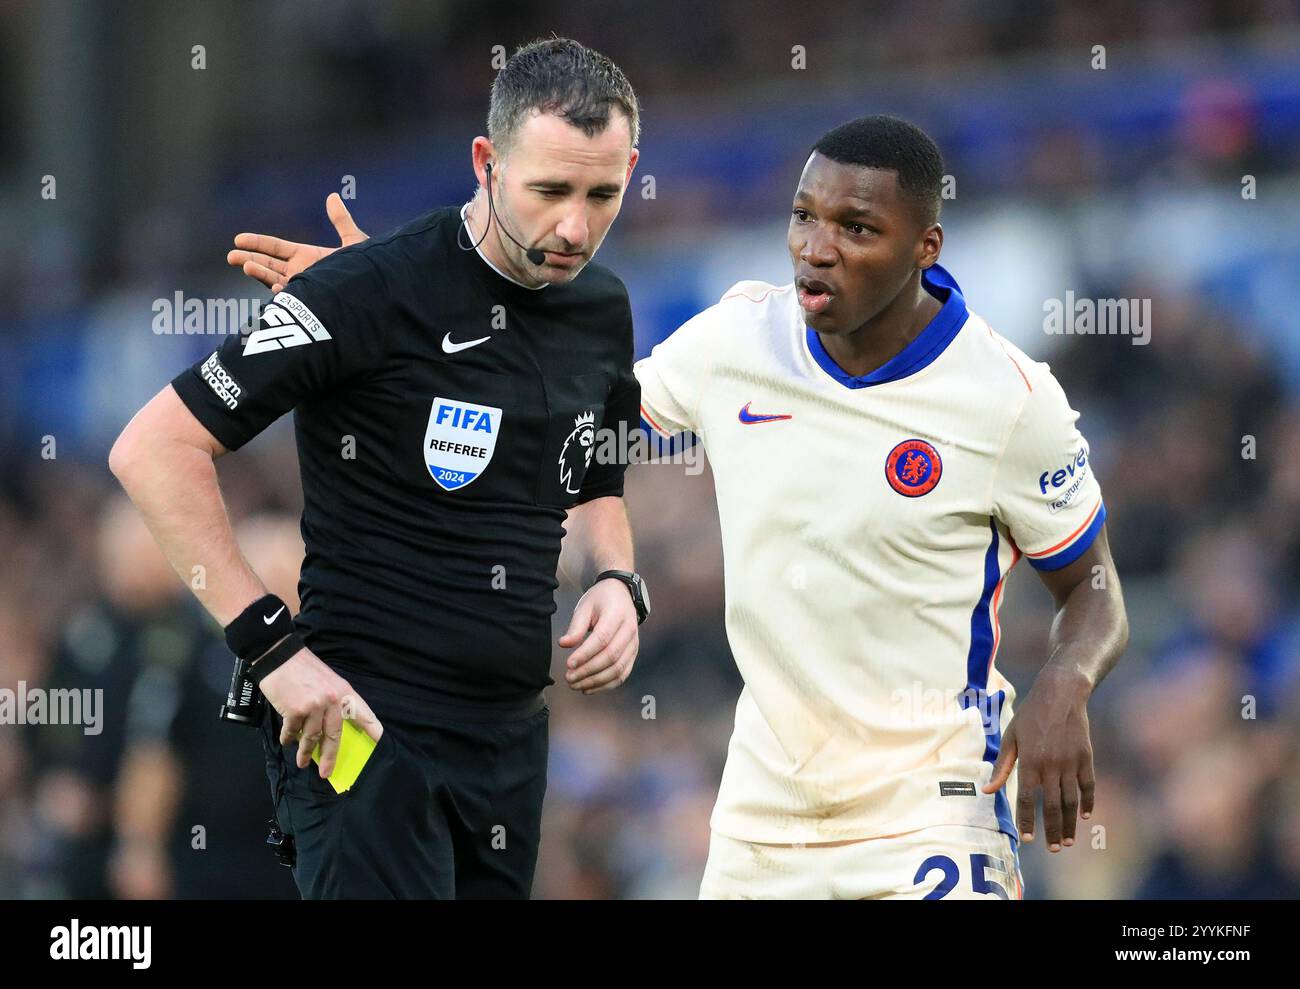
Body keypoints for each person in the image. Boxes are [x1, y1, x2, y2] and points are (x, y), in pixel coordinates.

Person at [229, 115, 1130, 900]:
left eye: (857, 228)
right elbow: (563, 409)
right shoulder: (741, 340)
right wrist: (385, 305)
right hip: (765, 819)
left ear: (925, 246)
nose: (817, 248)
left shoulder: (1009, 399)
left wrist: (1066, 679)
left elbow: (1094, 590)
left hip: (933, 810)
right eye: (804, 217)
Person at [109, 37, 652, 900]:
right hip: (363, 729)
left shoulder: (602, 310)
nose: (575, 227)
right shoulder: (367, 288)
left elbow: (593, 482)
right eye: (550, 191)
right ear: (486, 163)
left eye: (602, 195)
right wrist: (270, 649)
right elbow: (153, 449)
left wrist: (617, 579)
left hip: (510, 744)